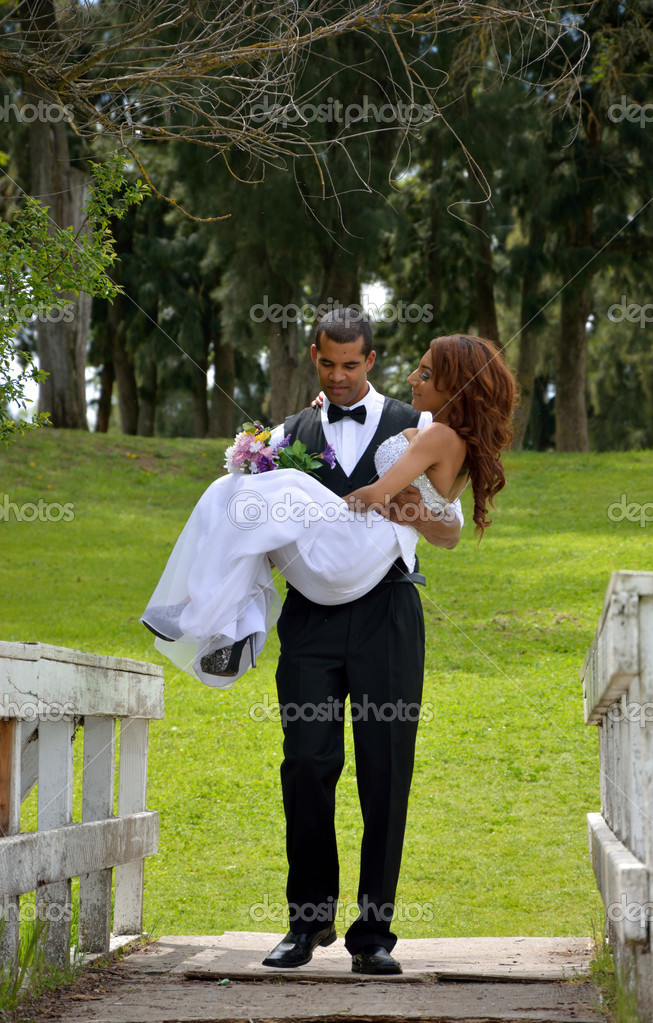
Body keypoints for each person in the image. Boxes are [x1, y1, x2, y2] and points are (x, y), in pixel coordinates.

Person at [141, 310, 516, 975]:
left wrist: (414, 513)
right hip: (310, 622)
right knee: (306, 763)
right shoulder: (289, 432)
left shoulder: (421, 421)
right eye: (328, 365)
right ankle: (305, 922)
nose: (339, 378)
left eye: (352, 365)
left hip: (388, 613)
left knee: (385, 769)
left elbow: (450, 530)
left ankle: (373, 934)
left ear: (371, 359)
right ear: (313, 357)